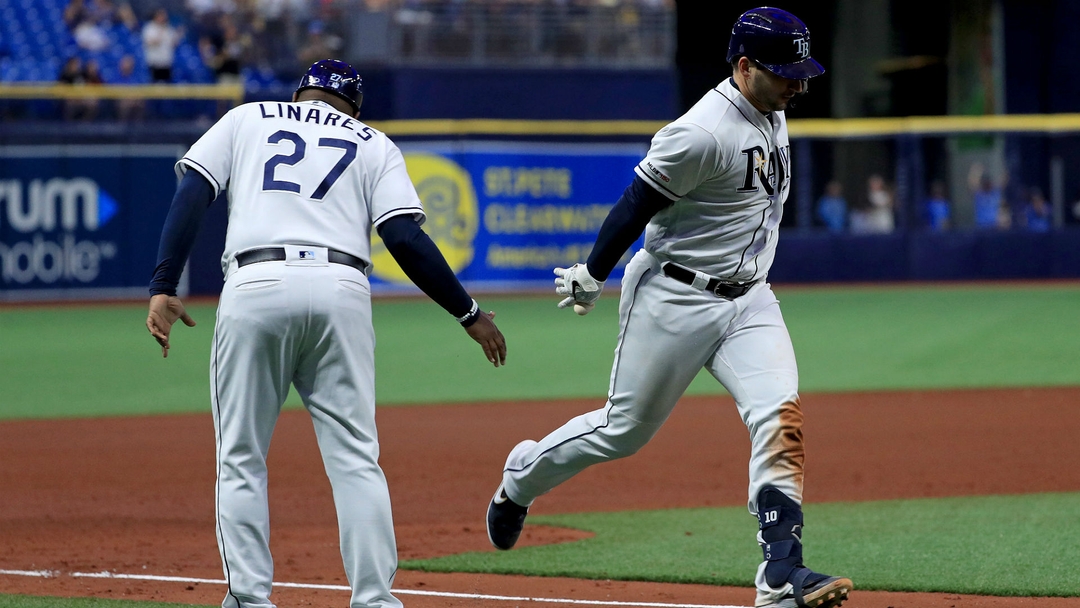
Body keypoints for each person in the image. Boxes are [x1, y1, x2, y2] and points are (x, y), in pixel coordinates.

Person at [485, 8, 851, 608]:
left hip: (750, 300)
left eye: (800, 71)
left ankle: (782, 576)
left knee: (779, 419)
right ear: (742, 66)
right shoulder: (701, 132)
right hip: (676, 296)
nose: (797, 84)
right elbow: (635, 202)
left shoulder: (772, 109)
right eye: (784, 72)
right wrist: (592, 271)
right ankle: (520, 479)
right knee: (622, 432)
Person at [146, 59, 507, 608]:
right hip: (342, 287)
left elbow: (193, 190)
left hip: (257, 281)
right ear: (353, 106)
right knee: (357, 458)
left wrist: (164, 283)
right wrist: (468, 312)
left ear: (300, 95)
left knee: (240, 458)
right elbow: (403, 238)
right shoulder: (372, 141)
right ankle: (375, 600)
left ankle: (248, 598)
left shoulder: (247, 118)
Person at [142, 8, 184, 83]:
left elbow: (173, 44)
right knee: (154, 86)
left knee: (166, 86)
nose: (163, 18)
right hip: (155, 63)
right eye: (161, 16)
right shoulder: (149, 27)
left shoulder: (168, 28)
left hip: (166, 63)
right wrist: (160, 33)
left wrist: (178, 35)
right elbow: (149, 42)